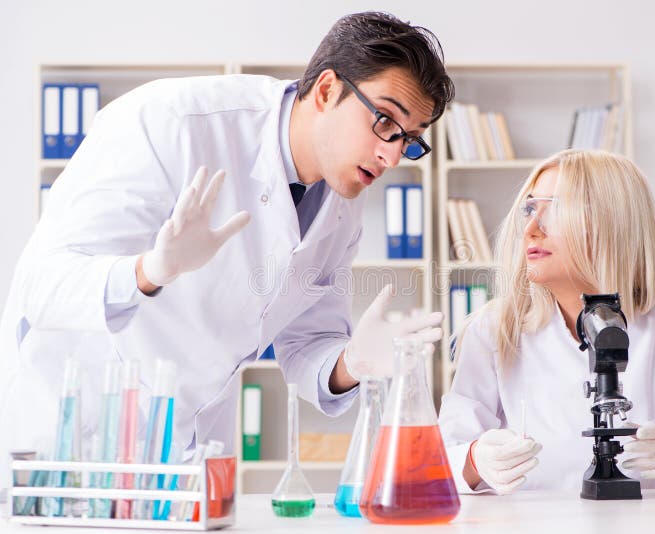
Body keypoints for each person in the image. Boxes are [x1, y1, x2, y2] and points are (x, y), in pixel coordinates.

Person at [0, 11, 454, 487]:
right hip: (74, 432)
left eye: (410, 140)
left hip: (188, 451)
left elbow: (305, 344)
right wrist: (149, 271)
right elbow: (42, 285)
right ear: (325, 90)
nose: (392, 155)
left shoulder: (341, 203)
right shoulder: (170, 122)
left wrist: (352, 364)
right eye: (385, 121)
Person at [439, 149, 655, 494]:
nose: (531, 228)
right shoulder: (495, 331)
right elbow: (439, 464)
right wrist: (475, 460)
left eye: (555, 211)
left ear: (614, 223)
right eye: (530, 209)